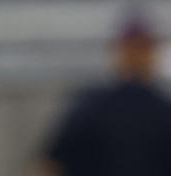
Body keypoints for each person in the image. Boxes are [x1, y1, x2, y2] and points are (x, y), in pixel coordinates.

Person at [40, 10, 171, 176]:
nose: (136, 55)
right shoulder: (89, 108)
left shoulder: (164, 112)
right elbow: (52, 164)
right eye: (131, 47)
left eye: (141, 48)